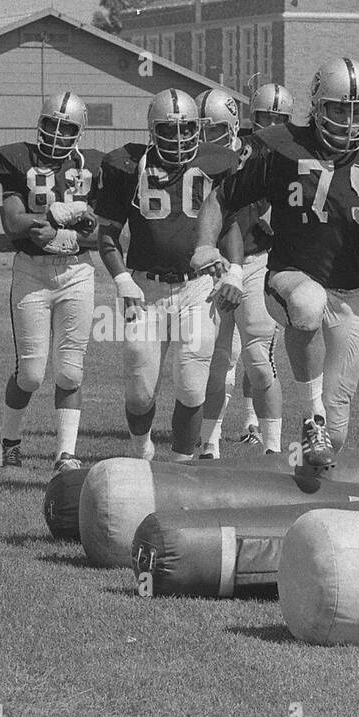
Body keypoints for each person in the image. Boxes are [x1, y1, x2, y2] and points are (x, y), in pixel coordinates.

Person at [192, 58, 359, 473]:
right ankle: (312, 419)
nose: (350, 119)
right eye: (340, 108)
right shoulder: (280, 144)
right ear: (318, 107)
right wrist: (203, 246)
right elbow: (221, 198)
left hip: (348, 295)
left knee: (337, 436)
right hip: (287, 278)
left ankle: (305, 484)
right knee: (306, 304)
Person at [94, 89, 243, 461]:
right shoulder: (126, 166)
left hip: (197, 288)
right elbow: (108, 234)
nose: (178, 139)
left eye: (186, 129)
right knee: (140, 390)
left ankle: (182, 466)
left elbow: (230, 227)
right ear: (151, 130)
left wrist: (236, 271)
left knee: (193, 384)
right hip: (145, 288)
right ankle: (141, 449)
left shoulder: (217, 162)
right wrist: (122, 280)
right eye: (169, 130)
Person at [0, 92, 103, 472]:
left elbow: (106, 231)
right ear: (40, 123)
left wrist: (61, 235)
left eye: (66, 126)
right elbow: (13, 221)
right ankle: (9, 442)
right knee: (32, 373)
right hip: (32, 271)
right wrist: (58, 219)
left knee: (71, 370)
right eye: (51, 124)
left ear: (79, 131)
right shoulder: (15, 158)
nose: (56, 132)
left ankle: (65, 453)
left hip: (76, 271)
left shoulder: (96, 167)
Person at [194, 88, 283, 458]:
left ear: (232, 128)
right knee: (215, 365)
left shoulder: (261, 154)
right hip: (213, 266)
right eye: (197, 129)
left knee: (260, 363)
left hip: (255, 263)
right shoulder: (187, 158)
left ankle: (274, 451)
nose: (202, 138)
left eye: (212, 129)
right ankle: (208, 448)